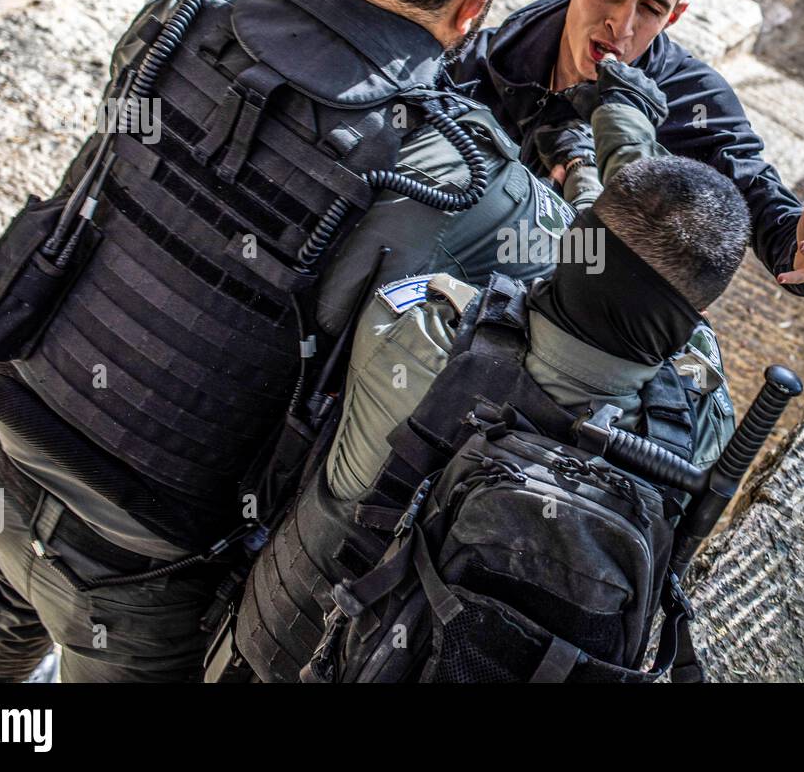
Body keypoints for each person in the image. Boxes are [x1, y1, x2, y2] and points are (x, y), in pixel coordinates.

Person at [0, 0, 553, 683]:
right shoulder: (448, 174)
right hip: (149, 557)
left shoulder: (195, 10)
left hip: (14, 431)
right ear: (474, 9)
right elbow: (555, 263)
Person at [233, 153, 745, 682]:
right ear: (694, 318)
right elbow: (684, 339)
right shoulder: (694, 447)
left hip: (292, 658)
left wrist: (585, 169)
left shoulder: (415, 331)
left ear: (577, 240)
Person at [453, 0, 804, 294]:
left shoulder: (692, 98)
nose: (621, 23)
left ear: (674, 17)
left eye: (650, 8)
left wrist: (802, 247)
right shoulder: (485, 57)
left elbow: (752, 188)